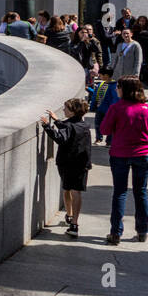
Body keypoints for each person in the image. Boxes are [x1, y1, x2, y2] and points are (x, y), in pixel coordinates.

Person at [96, 76, 148, 243]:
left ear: (124, 89)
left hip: (120, 155)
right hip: (143, 155)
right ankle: (142, 231)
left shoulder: (116, 108)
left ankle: (116, 233)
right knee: (141, 193)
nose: (116, 89)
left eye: (118, 87)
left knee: (120, 193)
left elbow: (105, 129)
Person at [41, 97, 92, 238]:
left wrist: (47, 126)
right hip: (82, 164)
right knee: (77, 192)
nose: (63, 109)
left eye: (66, 108)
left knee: (66, 189)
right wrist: (57, 121)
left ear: (72, 110)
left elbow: (61, 138)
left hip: (67, 163)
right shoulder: (85, 125)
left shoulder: (68, 126)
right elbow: (69, 129)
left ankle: (69, 215)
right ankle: (74, 223)